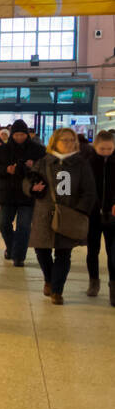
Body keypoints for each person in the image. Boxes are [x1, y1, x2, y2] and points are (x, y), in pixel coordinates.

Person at [25, 127, 96, 305]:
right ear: (54, 142)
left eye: (71, 140)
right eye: (64, 140)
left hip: (70, 215)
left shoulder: (81, 164)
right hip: (44, 214)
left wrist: (80, 211)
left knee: (64, 254)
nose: (68, 143)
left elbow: (89, 191)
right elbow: (28, 181)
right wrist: (32, 188)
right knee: (41, 250)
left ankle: (57, 290)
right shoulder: (43, 162)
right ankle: (49, 279)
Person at [0, 119, 46, 266]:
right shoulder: (2, 149)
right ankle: (12, 247)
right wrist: (6, 170)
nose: (19, 137)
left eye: (22, 134)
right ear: (12, 135)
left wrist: (33, 166)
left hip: (28, 194)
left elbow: (46, 169)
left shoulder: (37, 150)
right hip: (7, 192)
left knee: (24, 226)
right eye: (16, 135)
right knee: (3, 223)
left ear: (27, 134)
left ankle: (19, 257)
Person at [85, 130, 115, 303]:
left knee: (113, 252)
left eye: (109, 149)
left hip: (112, 214)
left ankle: (113, 285)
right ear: (95, 146)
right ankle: (93, 281)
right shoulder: (88, 163)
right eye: (102, 149)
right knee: (93, 250)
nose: (106, 152)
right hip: (93, 215)